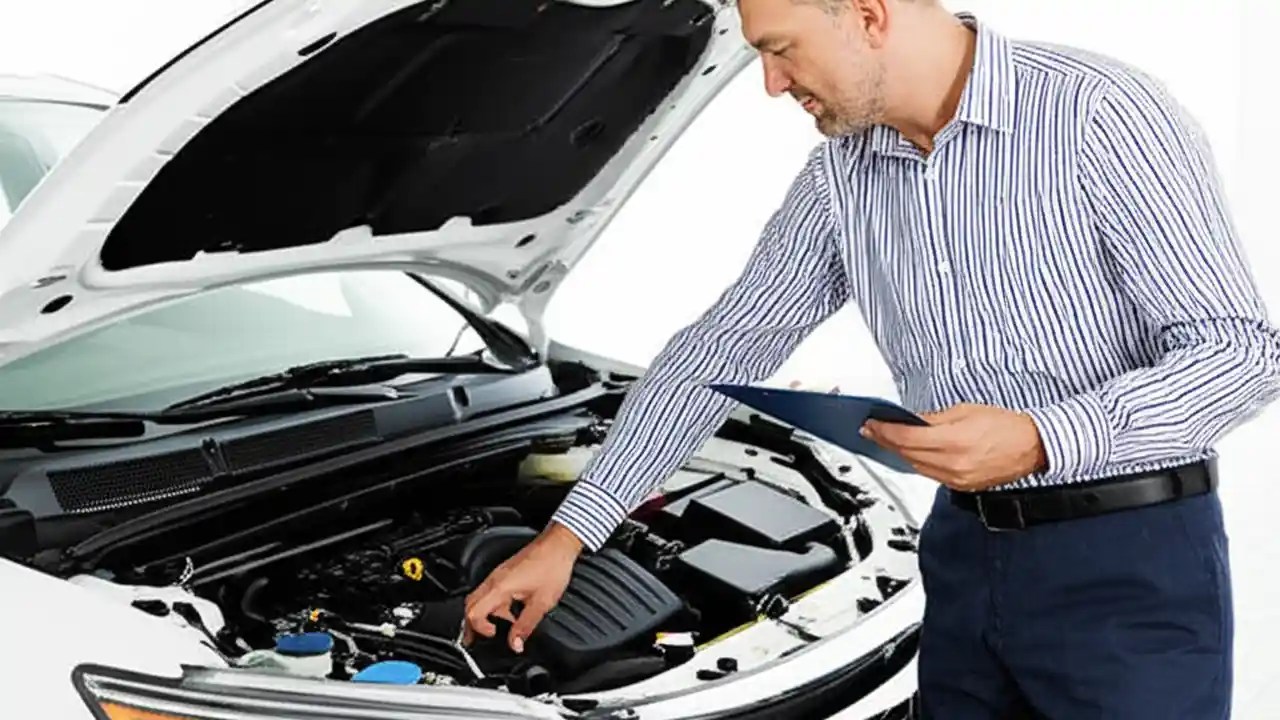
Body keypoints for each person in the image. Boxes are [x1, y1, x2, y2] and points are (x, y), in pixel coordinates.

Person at [464, 0, 1280, 716]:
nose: (773, 85)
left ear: (866, 13)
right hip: (963, 553)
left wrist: (1041, 438)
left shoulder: (1098, 114)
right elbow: (724, 343)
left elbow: (1243, 352)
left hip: (1127, 564)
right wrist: (569, 537)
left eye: (780, 49)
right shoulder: (842, 176)